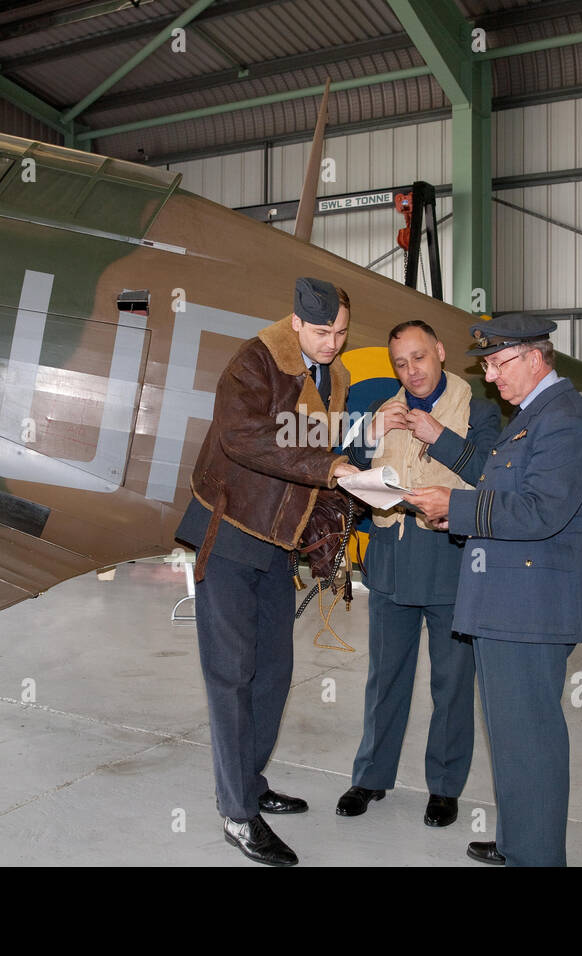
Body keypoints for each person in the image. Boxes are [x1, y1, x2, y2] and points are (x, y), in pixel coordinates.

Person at [404, 314, 582, 867]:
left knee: (531, 745)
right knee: (513, 743)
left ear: (534, 357)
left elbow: (541, 511)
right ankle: (521, 840)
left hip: (529, 613)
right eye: (488, 364)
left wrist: (456, 507)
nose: (490, 376)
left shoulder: (563, 420)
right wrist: (456, 513)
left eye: (497, 363)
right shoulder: (533, 417)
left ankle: (535, 857)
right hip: (506, 608)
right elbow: (502, 492)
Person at [175, 276, 358, 866]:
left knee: (273, 673)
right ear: (298, 323)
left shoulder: (337, 377)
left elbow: (311, 453)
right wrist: (330, 470)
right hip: (228, 535)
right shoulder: (253, 363)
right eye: (324, 332)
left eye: (342, 332)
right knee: (231, 677)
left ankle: (250, 783)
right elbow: (243, 438)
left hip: (279, 545)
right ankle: (236, 814)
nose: (334, 342)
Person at [336, 320, 498, 827]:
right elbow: (347, 463)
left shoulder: (480, 410)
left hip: (452, 567)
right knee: (384, 680)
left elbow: (493, 476)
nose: (412, 371)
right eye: (401, 363)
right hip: (390, 564)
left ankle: (445, 788)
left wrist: (440, 437)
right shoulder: (386, 408)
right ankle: (371, 777)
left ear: (441, 353)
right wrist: (368, 438)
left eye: (420, 358)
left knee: (451, 686)